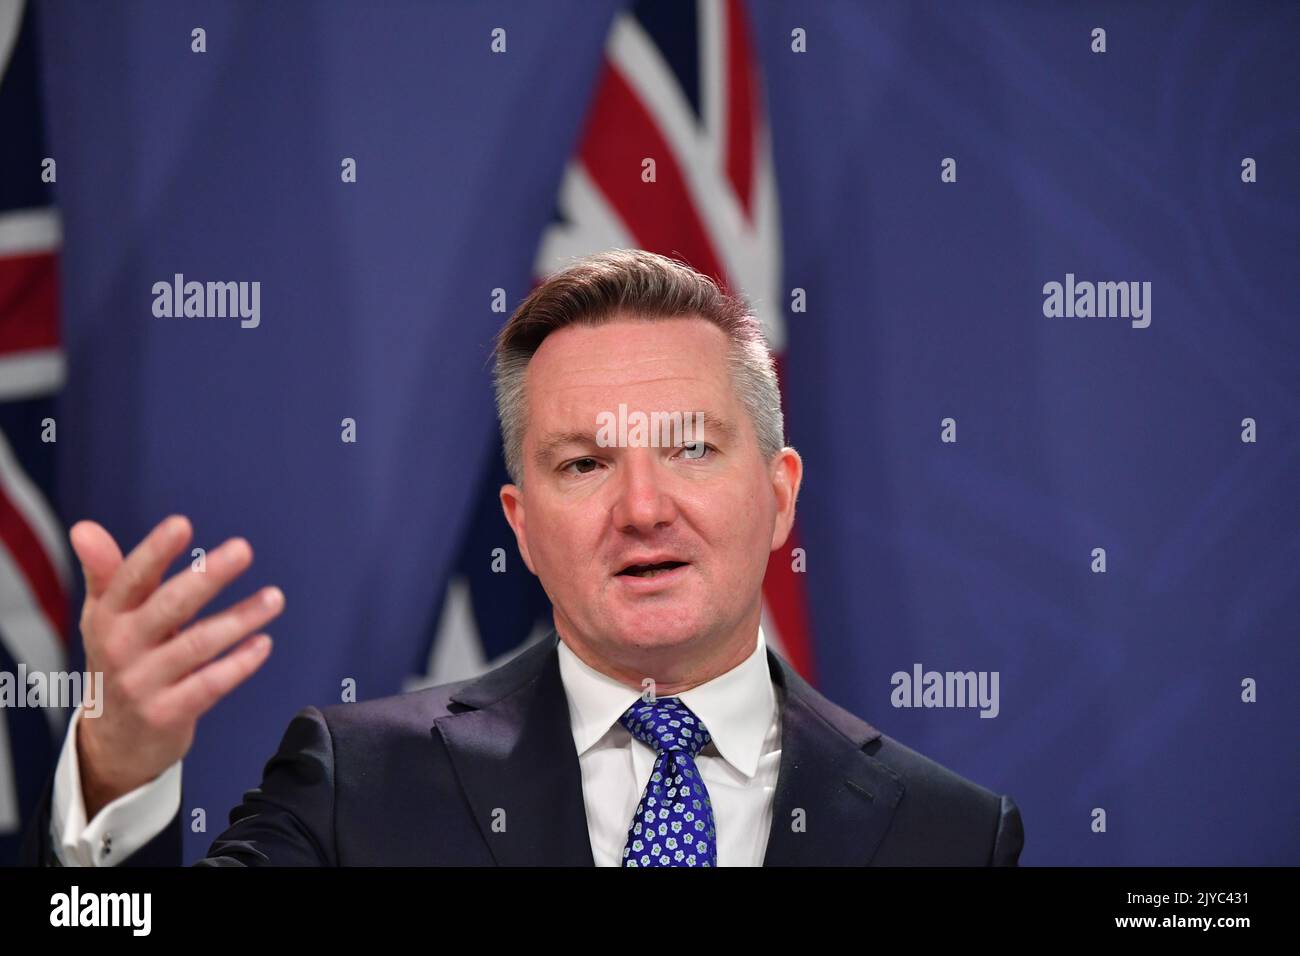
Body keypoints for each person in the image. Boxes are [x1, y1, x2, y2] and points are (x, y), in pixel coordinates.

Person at [22, 249, 1023, 866]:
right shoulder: (354, 784)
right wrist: (120, 774)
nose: (641, 507)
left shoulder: (948, 834)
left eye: (688, 447)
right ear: (522, 523)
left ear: (778, 492)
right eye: (584, 462)